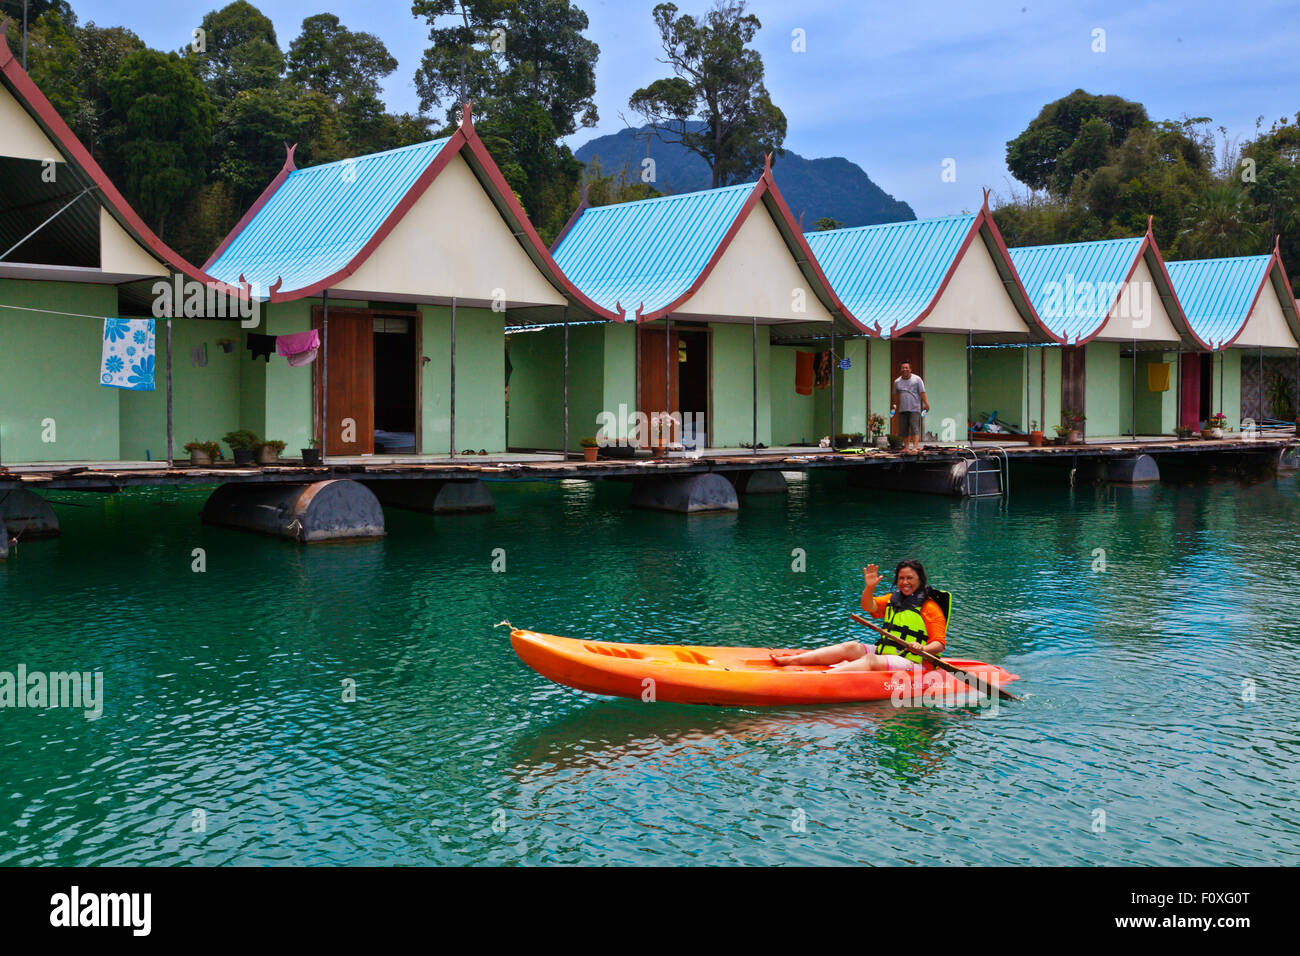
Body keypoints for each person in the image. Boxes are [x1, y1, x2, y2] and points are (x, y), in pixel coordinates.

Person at [771, 560, 946, 671]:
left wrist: (922, 648)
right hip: (887, 652)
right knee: (850, 647)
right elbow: (868, 606)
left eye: (910, 578)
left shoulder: (930, 608)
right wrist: (869, 588)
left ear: (920, 580)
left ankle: (825, 676)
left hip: (916, 663)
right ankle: (794, 660)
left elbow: (939, 644)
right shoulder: (894, 600)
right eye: (901, 578)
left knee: (870, 660)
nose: (904, 582)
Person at [891, 362, 929, 455]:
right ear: (900, 370)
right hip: (903, 408)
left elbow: (922, 392)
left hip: (914, 408)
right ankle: (906, 447)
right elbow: (895, 395)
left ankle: (915, 447)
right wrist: (894, 405)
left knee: (914, 427)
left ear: (910, 369)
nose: (905, 369)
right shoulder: (897, 381)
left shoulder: (917, 379)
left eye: (907, 368)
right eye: (903, 368)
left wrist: (926, 404)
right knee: (904, 429)